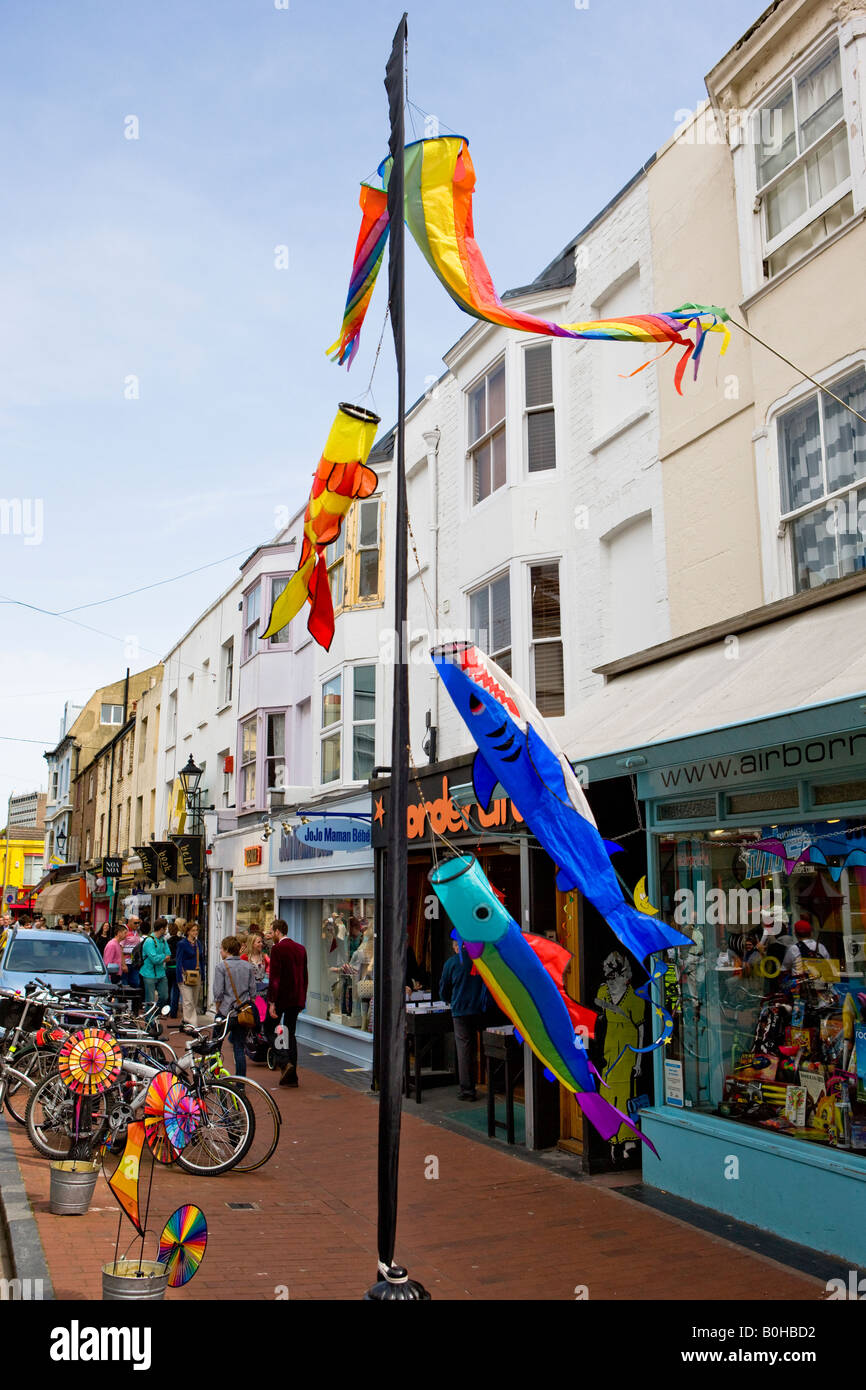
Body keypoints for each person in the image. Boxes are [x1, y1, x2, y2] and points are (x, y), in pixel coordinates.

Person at [439, 938, 488, 1101]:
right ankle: (491, 1082)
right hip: (480, 1010)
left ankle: (468, 1090)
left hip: (460, 1010)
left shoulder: (451, 963)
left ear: (456, 947)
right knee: (482, 1046)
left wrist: (449, 1000)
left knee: (464, 1049)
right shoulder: (479, 962)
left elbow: (443, 990)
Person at [268, 919, 308, 1087]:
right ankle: (292, 1077)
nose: (270, 935)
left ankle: (284, 1062)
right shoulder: (301, 949)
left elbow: (275, 978)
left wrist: (271, 1002)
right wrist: (302, 1000)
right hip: (297, 998)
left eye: (271, 932)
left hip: (282, 998)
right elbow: (305, 976)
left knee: (270, 1028)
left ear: (278, 931)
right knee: (290, 1033)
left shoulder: (277, 949)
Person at [212, 935, 257, 1077]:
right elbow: (253, 991)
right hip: (242, 1013)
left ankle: (214, 1076)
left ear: (226, 950)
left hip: (226, 1012)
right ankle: (241, 1081)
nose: (220, 952)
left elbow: (218, 992)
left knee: (215, 1045)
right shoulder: (248, 966)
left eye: (221, 949)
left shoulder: (221, 967)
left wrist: (219, 1008)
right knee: (239, 1048)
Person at [175, 922, 202, 1030]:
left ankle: (185, 1020)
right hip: (185, 975)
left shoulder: (198, 943)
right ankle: (191, 1025)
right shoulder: (182, 944)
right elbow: (179, 960)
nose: (195, 932)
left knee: (194, 1000)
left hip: (196, 975)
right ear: (188, 932)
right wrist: (179, 977)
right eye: (193, 930)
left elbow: (202, 959)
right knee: (188, 1001)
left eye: (196, 930)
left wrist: (203, 975)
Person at [141, 917, 171, 1007]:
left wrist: (162, 957)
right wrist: (163, 957)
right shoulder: (149, 941)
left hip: (161, 973)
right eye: (165, 928)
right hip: (149, 973)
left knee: (165, 996)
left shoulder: (163, 940)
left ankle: (156, 1014)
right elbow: (154, 959)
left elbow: (169, 955)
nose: (166, 930)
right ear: (161, 929)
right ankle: (149, 1020)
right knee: (150, 999)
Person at [242, 931, 270, 997]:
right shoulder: (244, 958)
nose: (261, 944)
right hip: (250, 993)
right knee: (258, 1007)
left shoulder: (264, 957)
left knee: (263, 1007)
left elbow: (268, 972)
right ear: (252, 944)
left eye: (261, 942)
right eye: (258, 942)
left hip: (264, 991)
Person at [123, 917, 143, 997]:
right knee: (125, 985)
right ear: (129, 922)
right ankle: (124, 1003)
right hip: (126, 962)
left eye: (138, 923)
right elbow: (120, 947)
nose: (137, 925)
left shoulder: (137, 931)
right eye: (135, 923)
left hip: (134, 963)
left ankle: (132, 1004)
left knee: (135, 983)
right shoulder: (124, 931)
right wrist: (123, 964)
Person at [166, 918, 182, 1018]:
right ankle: (174, 1011)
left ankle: (166, 1009)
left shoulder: (167, 941)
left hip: (168, 966)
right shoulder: (181, 941)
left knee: (167, 989)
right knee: (176, 990)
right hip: (177, 967)